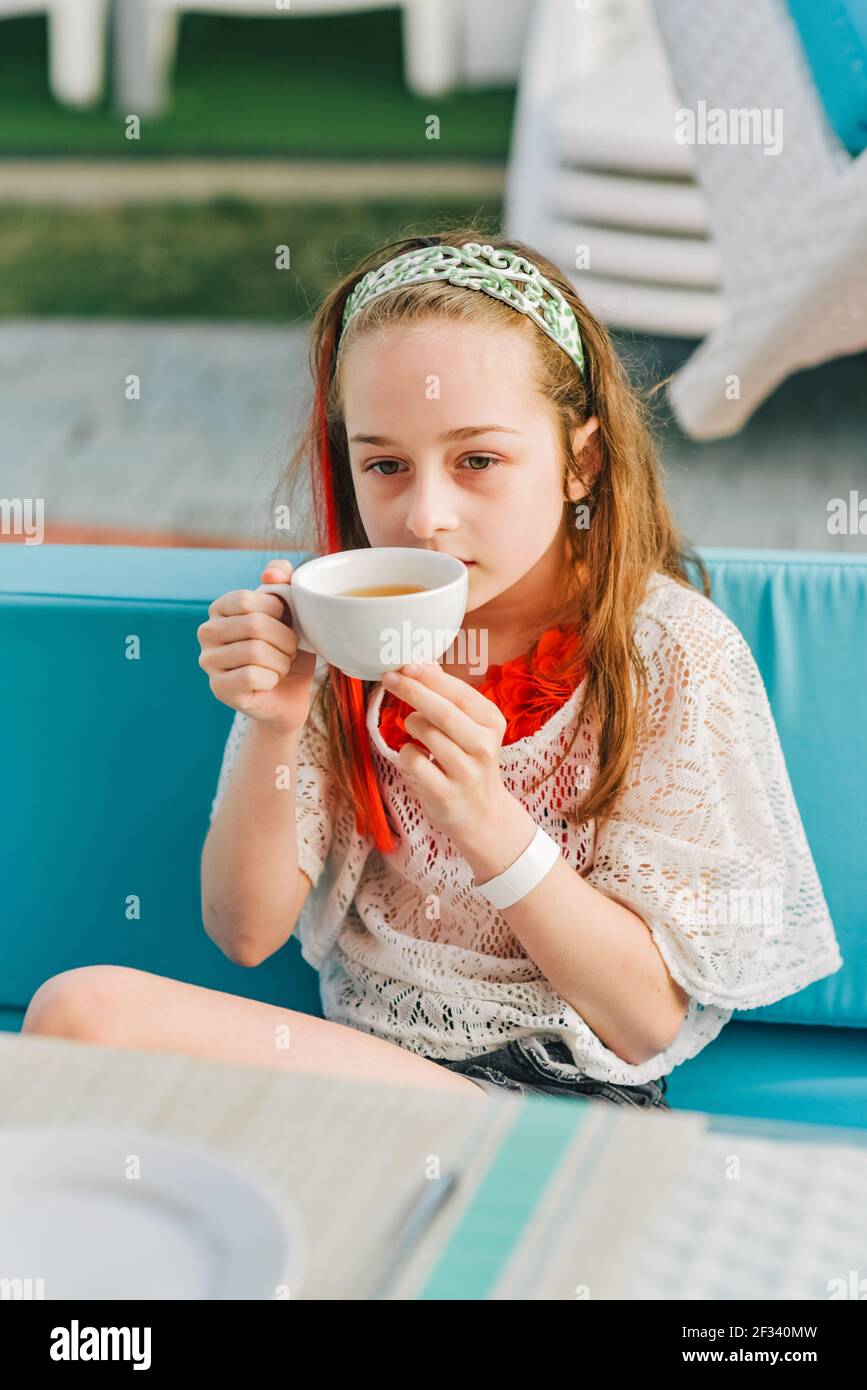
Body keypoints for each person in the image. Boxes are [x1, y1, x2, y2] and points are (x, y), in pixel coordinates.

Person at [22, 230, 843, 1108]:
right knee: (78, 1017)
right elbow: (243, 933)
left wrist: (488, 821)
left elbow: (643, 1022)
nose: (424, 517)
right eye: (384, 465)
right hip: (368, 1079)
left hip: (552, 1106)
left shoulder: (667, 650)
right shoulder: (339, 630)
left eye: (477, 461)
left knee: (84, 1017)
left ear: (582, 461)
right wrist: (273, 720)